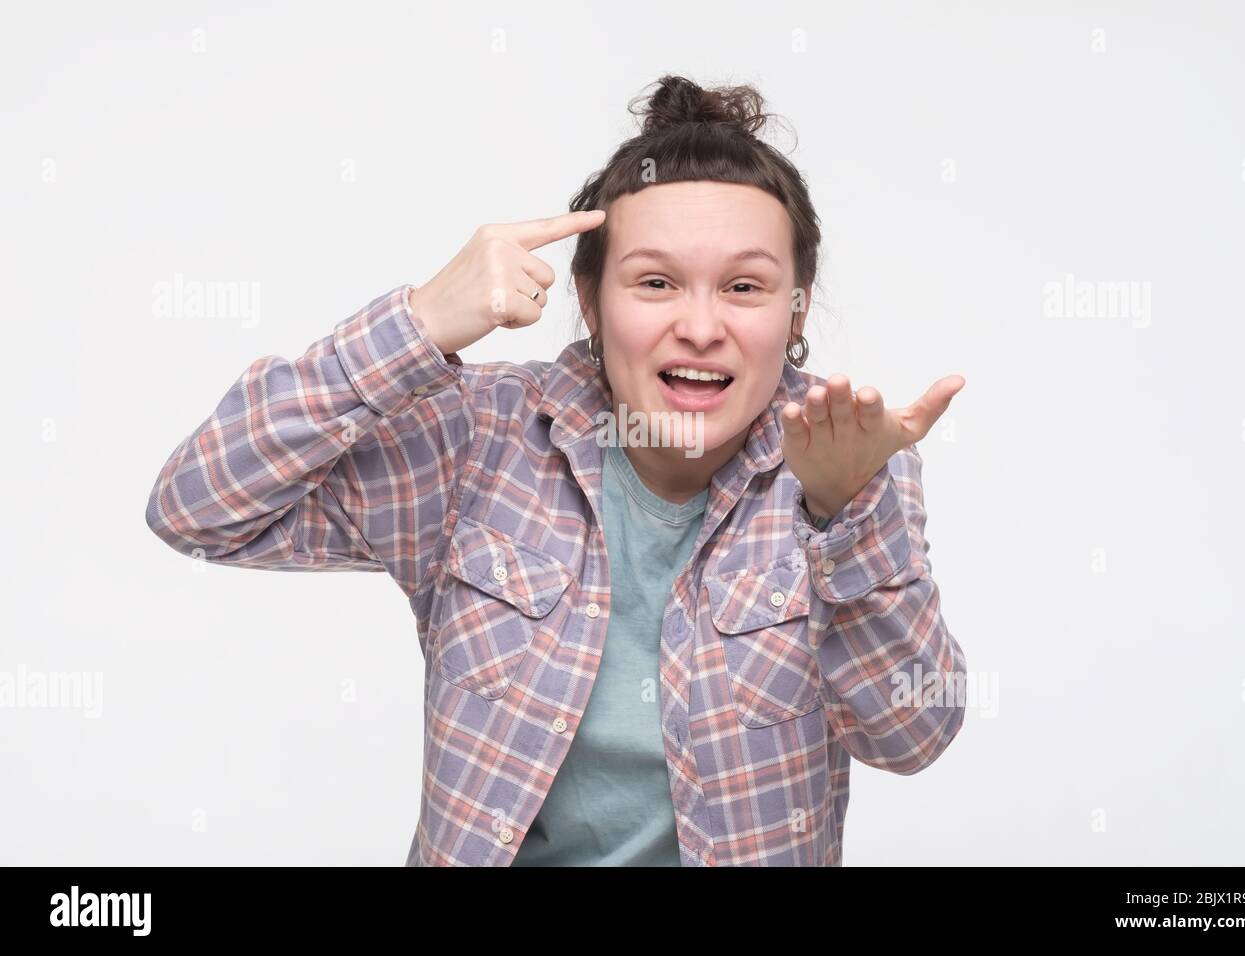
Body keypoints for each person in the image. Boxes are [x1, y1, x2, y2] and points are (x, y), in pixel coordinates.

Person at [145, 74, 968, 867]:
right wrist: (421, 322)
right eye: (655, 282)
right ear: (589, 298)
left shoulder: (850, 461)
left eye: (746, 286)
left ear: (795, 306)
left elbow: (909, 737)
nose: (701, 325)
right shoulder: (479, 442)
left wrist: (847, 513)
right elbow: (198, 507)